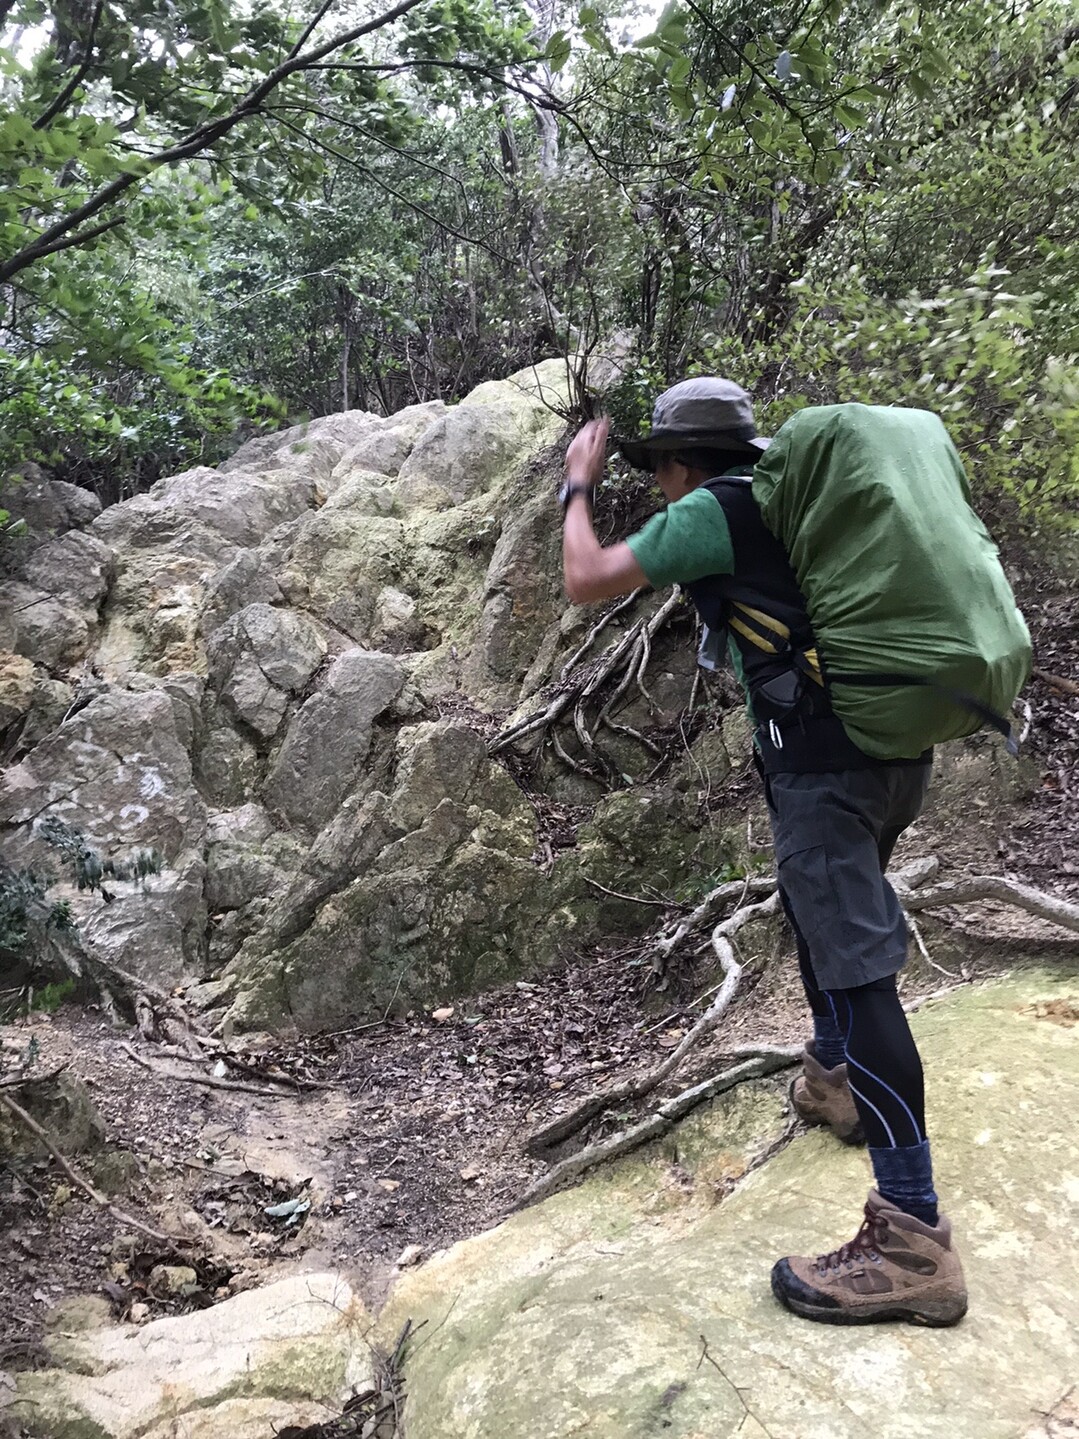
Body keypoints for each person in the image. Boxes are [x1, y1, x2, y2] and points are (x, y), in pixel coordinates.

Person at [558, 377, 967, 1327]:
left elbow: (586, 575)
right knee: (821, 921)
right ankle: (835, 1078)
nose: (659, 489)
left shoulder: (713, 510)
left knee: (859, 975)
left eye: (658, 473)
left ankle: (911, 1240)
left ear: (678, 463)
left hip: (823, 770)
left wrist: (578, 484)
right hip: (892, 751)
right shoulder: (794, 497)